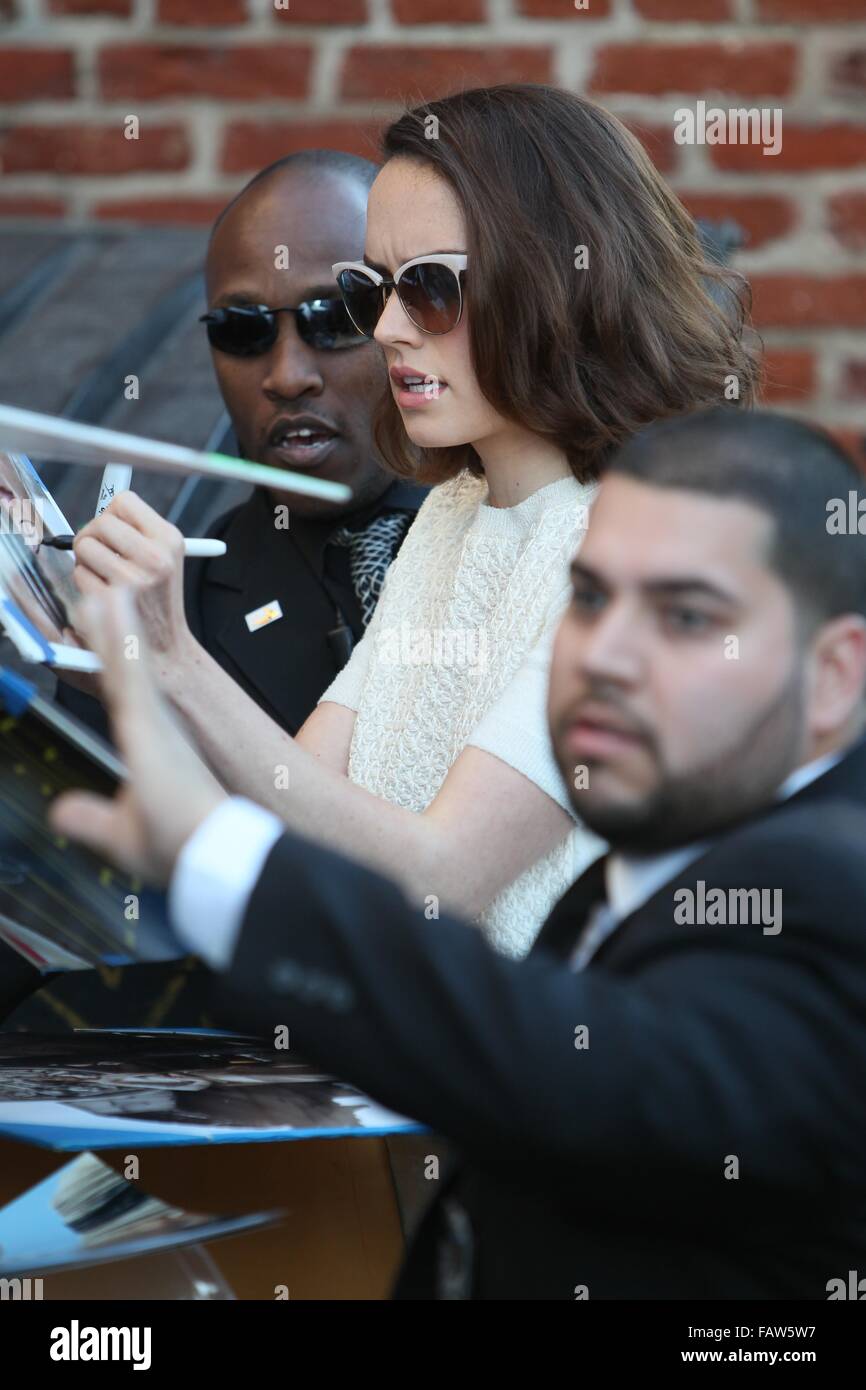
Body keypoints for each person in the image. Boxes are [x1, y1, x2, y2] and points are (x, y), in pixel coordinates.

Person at [51, 407, 866, 1299]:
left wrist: (226, 861)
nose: (604, 655)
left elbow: (571, 1076)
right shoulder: (638, 871)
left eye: (686, 616)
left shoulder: (830, 892)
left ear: (832, 678)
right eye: (589, 598)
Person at [67, 84, 759, 960]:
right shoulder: (454, 515)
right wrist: (110, 654)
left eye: (427, 287)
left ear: (552, 284)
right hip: (410, 1065)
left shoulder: (636, 549)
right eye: (373, 289)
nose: (388, 328)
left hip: (544, 1081)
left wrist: (172, 659)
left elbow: (444, 876)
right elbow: (291, 805)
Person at [58, 148, 427, 742]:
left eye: (333, 319)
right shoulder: (164, 604)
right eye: (243, 329)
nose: (286, 375)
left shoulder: (537, 537)